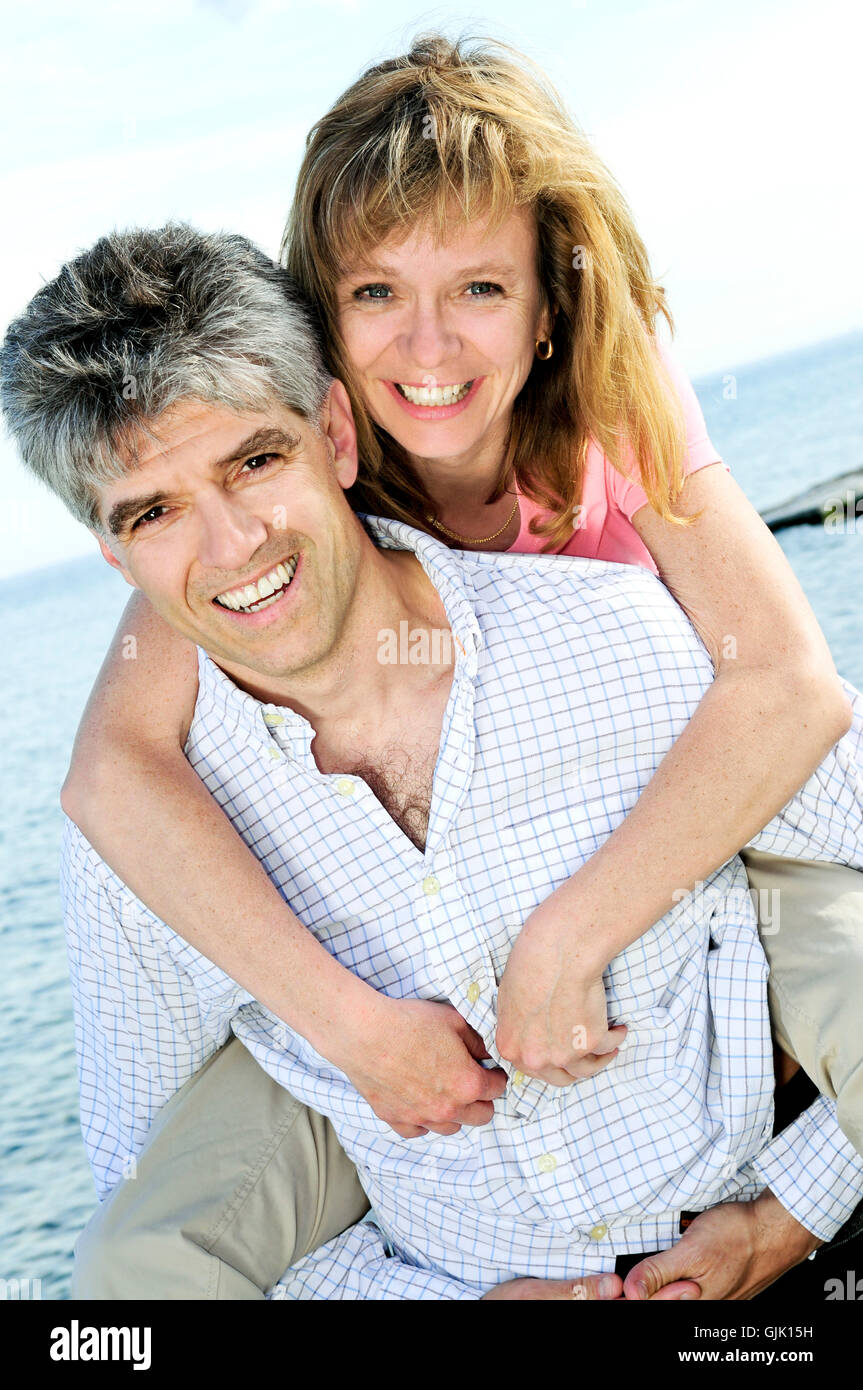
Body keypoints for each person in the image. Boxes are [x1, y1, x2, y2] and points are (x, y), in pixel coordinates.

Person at [2, 224, 862, 1300]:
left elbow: (842, 853)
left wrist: (793, 1206)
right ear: (112, 553)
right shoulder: (149, 842)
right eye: (155, 511)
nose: (231, 548)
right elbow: (161, 1209)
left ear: (334, 432)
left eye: (254, 461)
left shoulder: (617, 644)